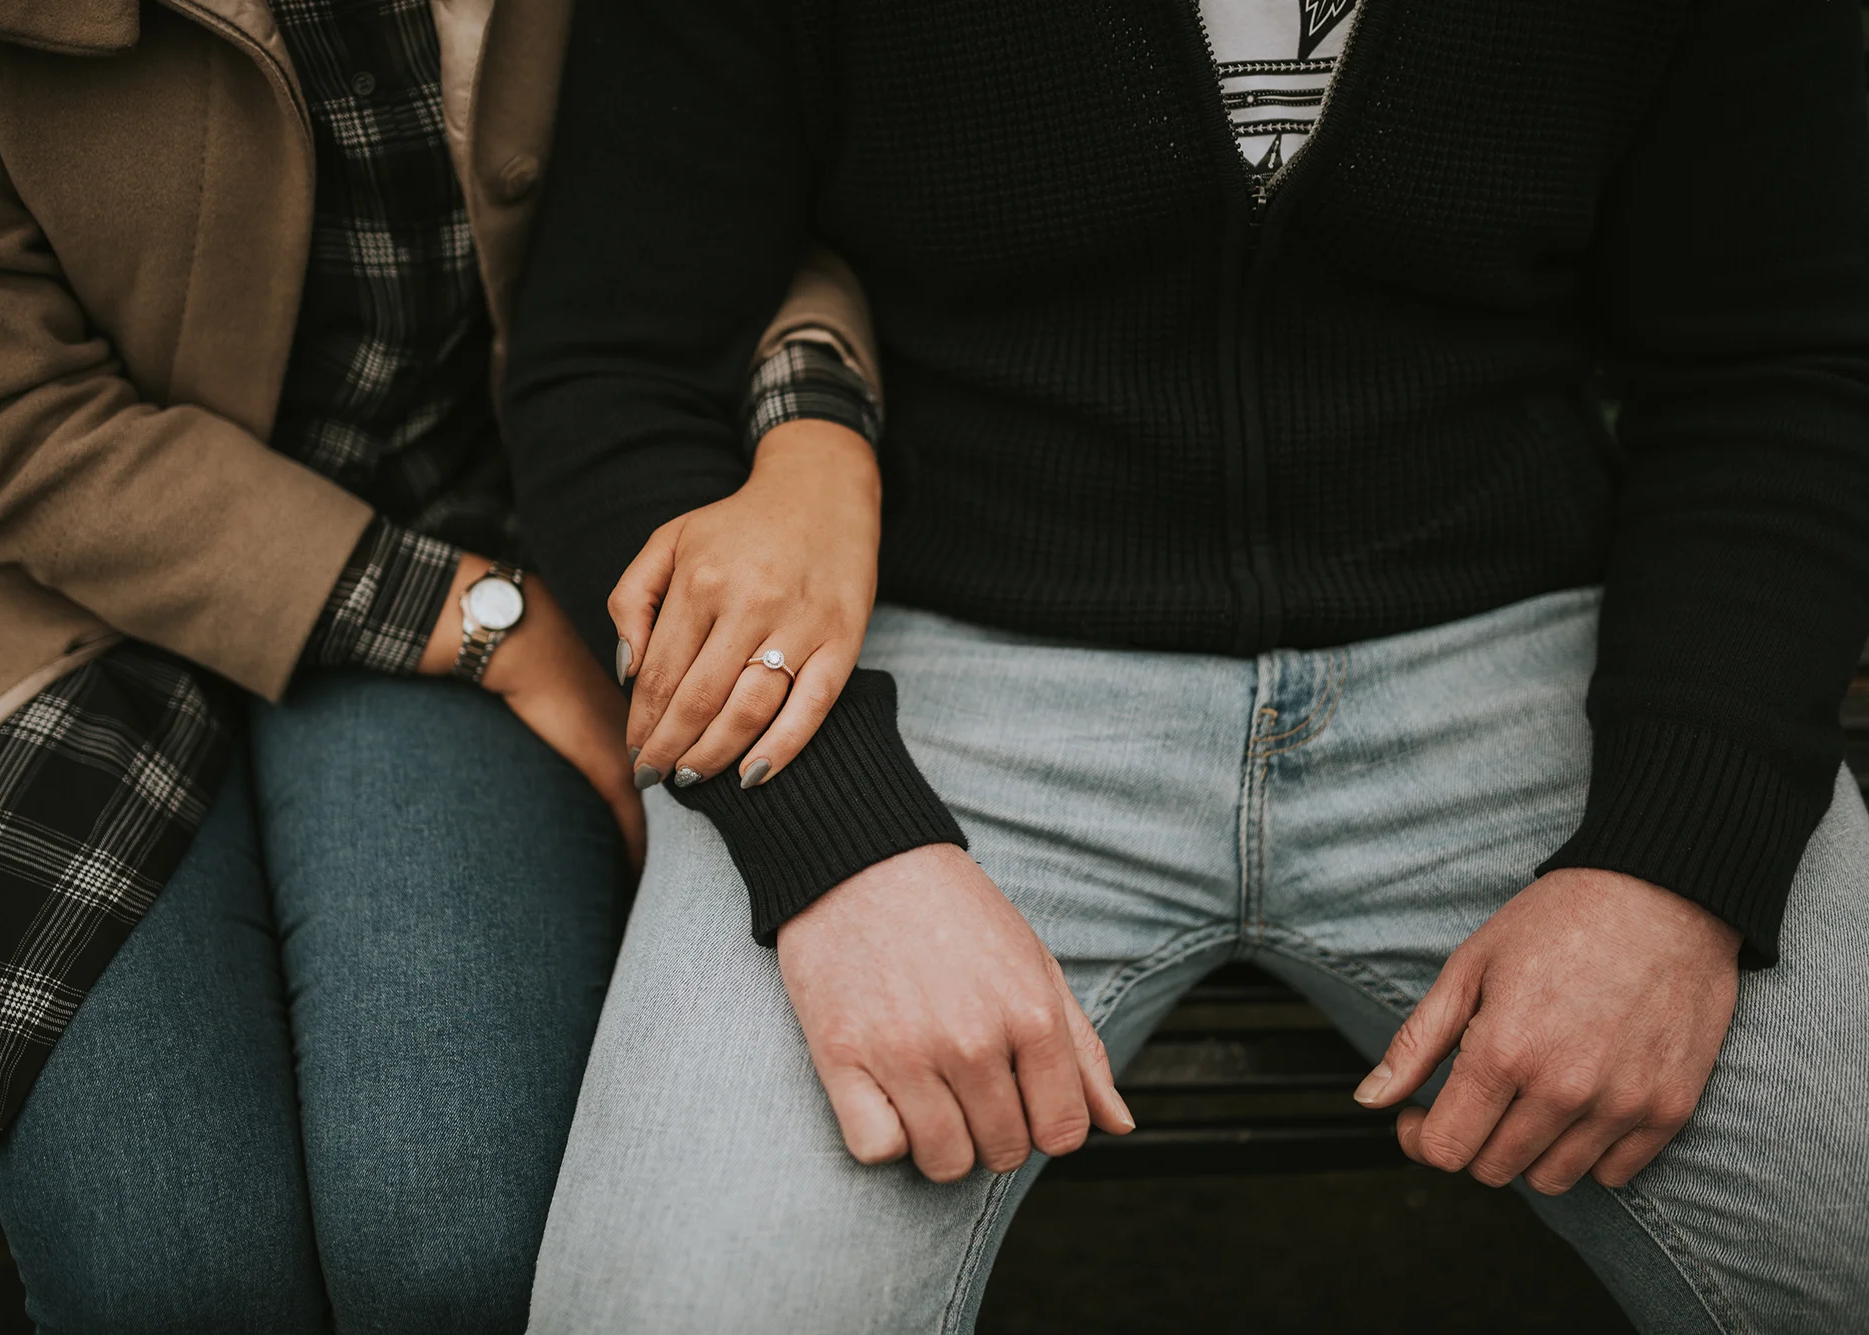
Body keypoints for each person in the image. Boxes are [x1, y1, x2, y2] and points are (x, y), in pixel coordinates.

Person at [503, 0, 1869, 1330]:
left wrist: (1680, 863)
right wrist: (837, 844)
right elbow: (615, 367)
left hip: (1541, 665)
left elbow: (1779, 363)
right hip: (928, 681)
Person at [0, 0, 883, 1328]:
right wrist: (500, 634)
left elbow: (746, 202)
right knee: (171, 1278)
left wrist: (818, 425)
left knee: (449, 1251)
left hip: (470, 500)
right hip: (39, 583)